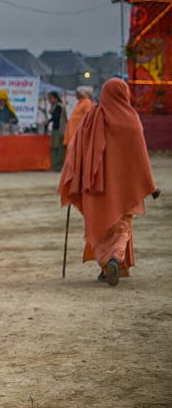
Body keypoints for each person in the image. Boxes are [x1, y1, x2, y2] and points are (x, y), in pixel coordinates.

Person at [58, 78, 159, 286]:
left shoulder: (92, 117)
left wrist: (72, 176)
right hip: (125, 188)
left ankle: (107, 268)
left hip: (95, 187)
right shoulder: (132, 120)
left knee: (100, 225)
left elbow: (75, 150)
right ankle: (113, 260)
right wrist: (150, 185)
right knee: (122, 227)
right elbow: (141, 158)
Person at [46, 91, 68, 171]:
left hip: (59, 130)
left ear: (55, 98)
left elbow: (56, 118)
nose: (49, 100)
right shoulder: (54, 106)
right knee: (54, 147)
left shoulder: (59, 106)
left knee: (59, 148)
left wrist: (48, 121)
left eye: (50, 98)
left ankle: (58, 166)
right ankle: (55, 166)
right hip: (55, 129)